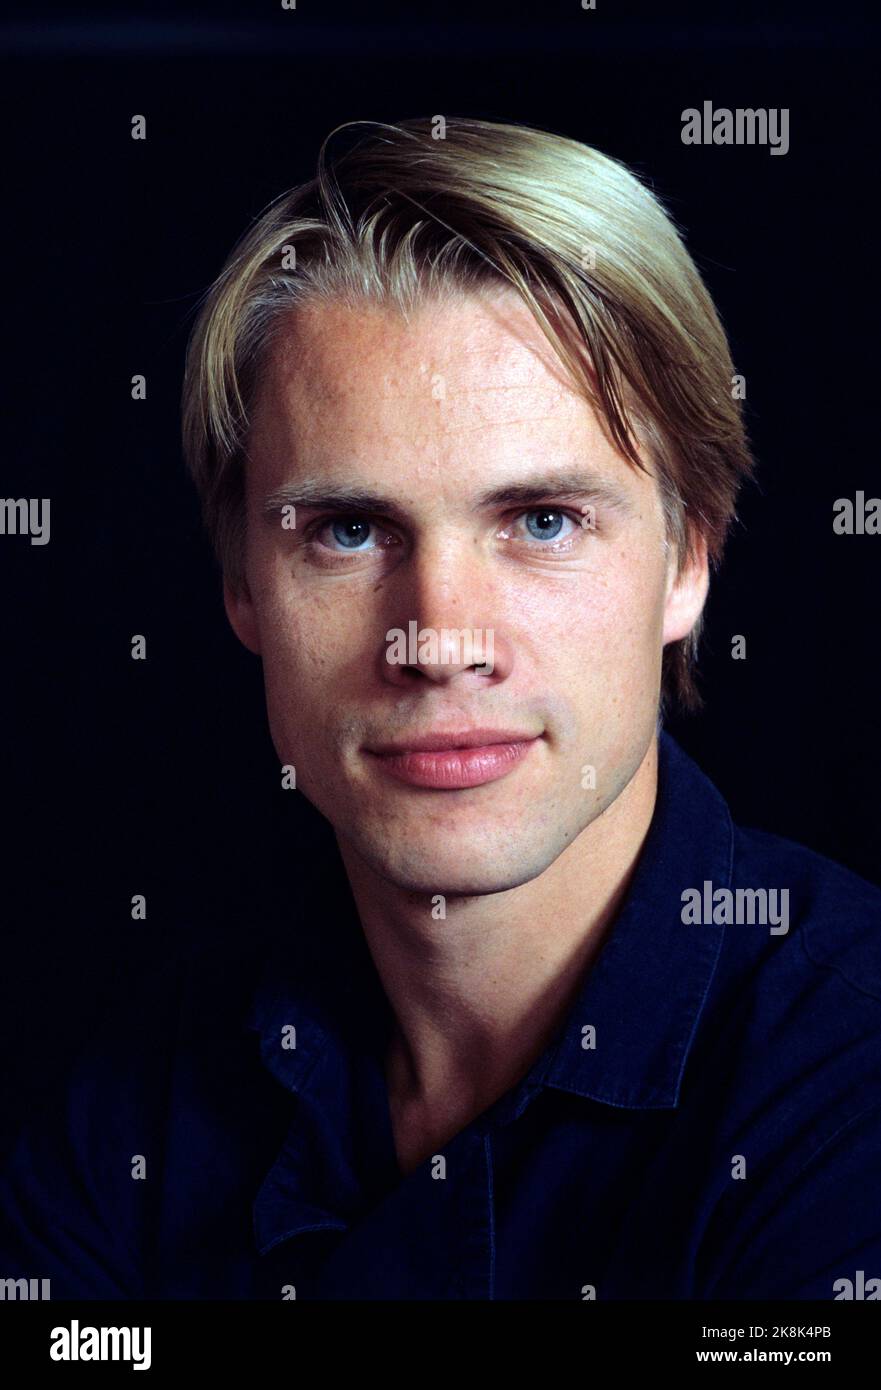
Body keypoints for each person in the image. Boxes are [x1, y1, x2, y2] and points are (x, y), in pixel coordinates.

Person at [2, 117, 880, 1301]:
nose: (436, 640)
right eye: (349, 531)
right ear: (241, 588)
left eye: (541, 521)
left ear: (688, 563)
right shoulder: (144, 1088)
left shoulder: (847, 1071)